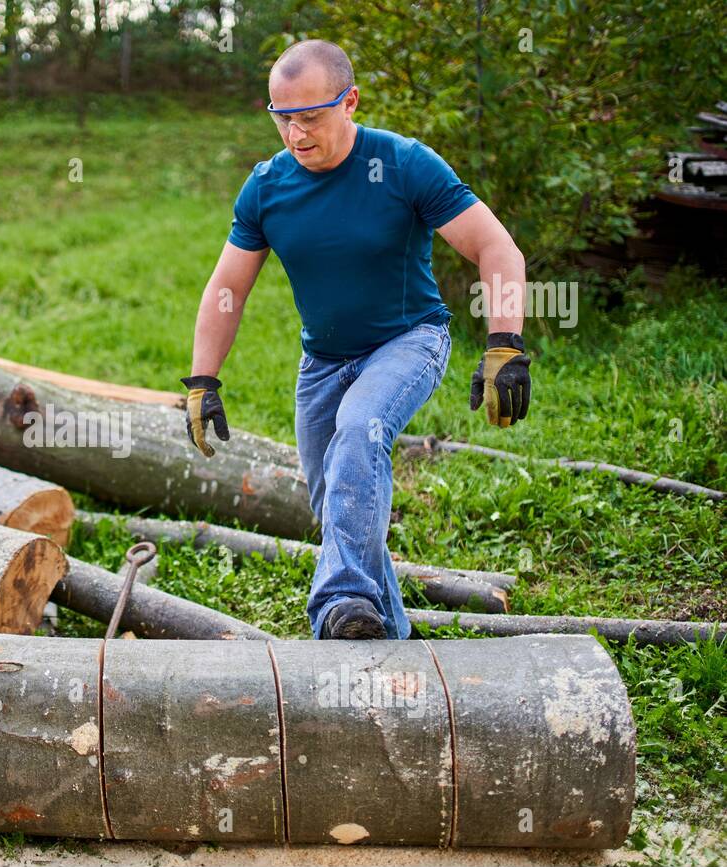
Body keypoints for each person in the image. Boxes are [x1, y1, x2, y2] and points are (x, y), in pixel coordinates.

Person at [182, 39, 530, 641]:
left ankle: (339, 607)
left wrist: (505, 343)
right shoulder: (266, 187)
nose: (295, 134)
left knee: (360, 429)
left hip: (409, 340)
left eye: (310, 116)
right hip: (322, 362)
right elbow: (227, 289)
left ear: (350, 101)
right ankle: (390, 641)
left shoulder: (403, 164)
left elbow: (493, 246)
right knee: (339, 507)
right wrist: (202, 379)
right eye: (281, 117)